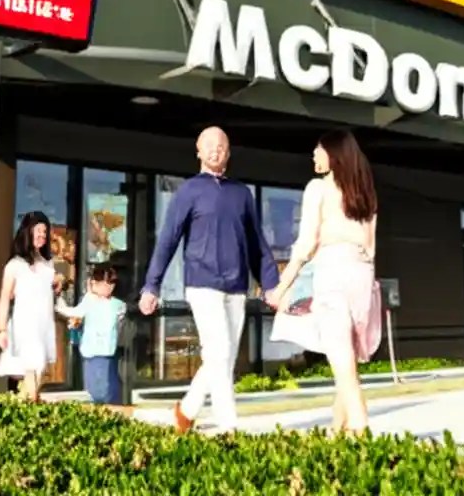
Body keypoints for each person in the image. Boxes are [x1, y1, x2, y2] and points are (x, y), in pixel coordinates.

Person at [140, 126, 281, 434]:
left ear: (229, 153)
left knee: (224, 357)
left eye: (222, 146)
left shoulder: (241, 194)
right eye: (210, 145)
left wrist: (271, 284)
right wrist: (152, 285)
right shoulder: (189, 191)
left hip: (236, 287)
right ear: (199, 151)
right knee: (218, 352)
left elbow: (257, 243)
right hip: (202, 284)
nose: (216, 150)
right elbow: (167, 240)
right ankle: (228, 426)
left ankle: (186, 411)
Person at [268, 129, 382, 435]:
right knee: (347, 355)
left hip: (332, 268)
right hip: (361, 272)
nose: (314, 155)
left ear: (333, 154)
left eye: (318, 150)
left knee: (339, 354)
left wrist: (282, 285)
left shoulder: (317, 188)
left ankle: (359, 422)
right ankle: (337, 430)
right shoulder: (365, 193)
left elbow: (306, 243)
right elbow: (370, 246)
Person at [0, 211, 59, 403]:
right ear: (27, 232)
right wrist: (2, 330)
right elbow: (5, 297)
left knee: (39, 369)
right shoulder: (15, 265)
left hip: (44, 324)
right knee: (30, 365)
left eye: (44, 232)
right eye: (37, 231)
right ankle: (31, 401)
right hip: (25, 324)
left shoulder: (48, 263)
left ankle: (27, 401)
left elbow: (48, 289)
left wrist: (58, 284)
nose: (41, 236)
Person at [57, 264, 128, 406]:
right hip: (105, 351)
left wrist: (58, 301)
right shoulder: (117, 304)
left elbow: (72, 312)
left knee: (98, 390)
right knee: (106, 386)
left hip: (95, 352)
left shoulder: (92, 301)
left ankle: (107, 409)